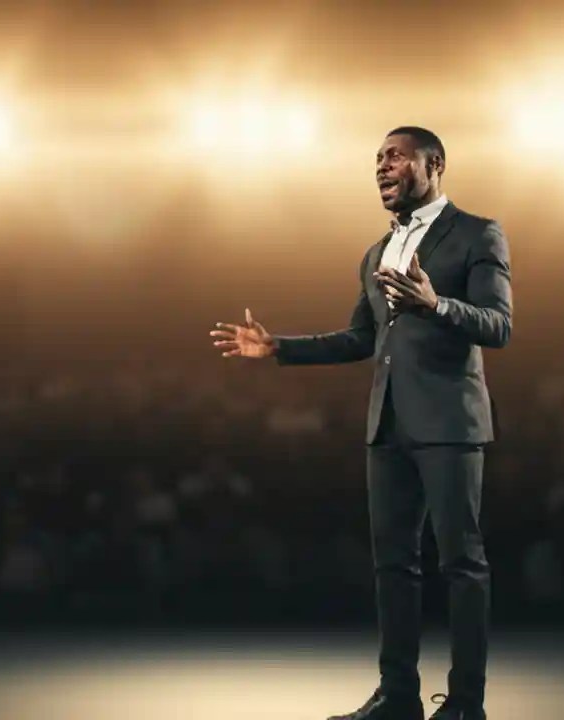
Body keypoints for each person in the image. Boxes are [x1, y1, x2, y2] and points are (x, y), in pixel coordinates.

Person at [208, 126, 512, 720]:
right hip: (388, 427)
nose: (382, 166)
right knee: (393, 565)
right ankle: (398, 696)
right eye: (376, 159)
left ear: (435, 164)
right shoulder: (377, 252)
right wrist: (278, 348)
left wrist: (436, 304)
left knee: (461, 565)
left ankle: (466, 705)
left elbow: (499, 325)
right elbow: (361, 339)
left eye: (396, 155)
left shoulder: (477, 233)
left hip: (450, 423)